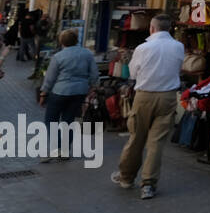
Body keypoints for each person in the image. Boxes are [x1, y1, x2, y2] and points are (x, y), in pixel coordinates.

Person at [111, 13, 185, 200]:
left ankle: (126, 177)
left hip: (144, 96)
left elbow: (134, 73)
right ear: (169, 29)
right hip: (168, 97)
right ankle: (148, 185)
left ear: (152, 28)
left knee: (136, 138)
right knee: (156, 143)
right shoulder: (179, 46)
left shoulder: (143, 48)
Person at [38, 29, 97, 162]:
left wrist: (43, 93)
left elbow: (50, 77)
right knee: (68, 120)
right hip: (79, 92)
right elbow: (94, 74)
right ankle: (64, 150)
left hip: (60, 91)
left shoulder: (58, 57)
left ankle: (55, 150)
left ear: (61, 42)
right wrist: (92, 87)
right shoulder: (87, 54)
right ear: (76, 40)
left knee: (51, 120)